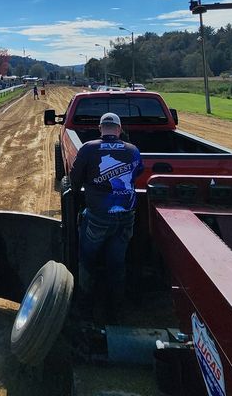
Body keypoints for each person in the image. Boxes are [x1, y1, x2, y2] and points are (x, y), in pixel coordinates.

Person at [68, 112, 142, 313]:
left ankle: (84, 301)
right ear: (119, 129)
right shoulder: (133, 150)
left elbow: (74, 178)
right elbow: (137, 173)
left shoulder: (89, 148)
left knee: (87, 258)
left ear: (100, 128)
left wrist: (75, 191)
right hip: (127, 215)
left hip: (99, 216)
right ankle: (116, 304)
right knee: (117, 261)